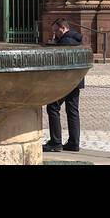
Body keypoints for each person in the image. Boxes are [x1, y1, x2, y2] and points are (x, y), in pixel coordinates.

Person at [44, 19, 84, 153]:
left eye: (56, 31)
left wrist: (53, 46)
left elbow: (57, 60)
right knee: (73, 111)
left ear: (62, 28)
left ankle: (55, 142)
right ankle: (74, 142)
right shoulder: (76, 39)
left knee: (52, 107)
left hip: (65, 82)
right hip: (76, 81)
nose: (54, 33)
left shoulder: (65, 42)